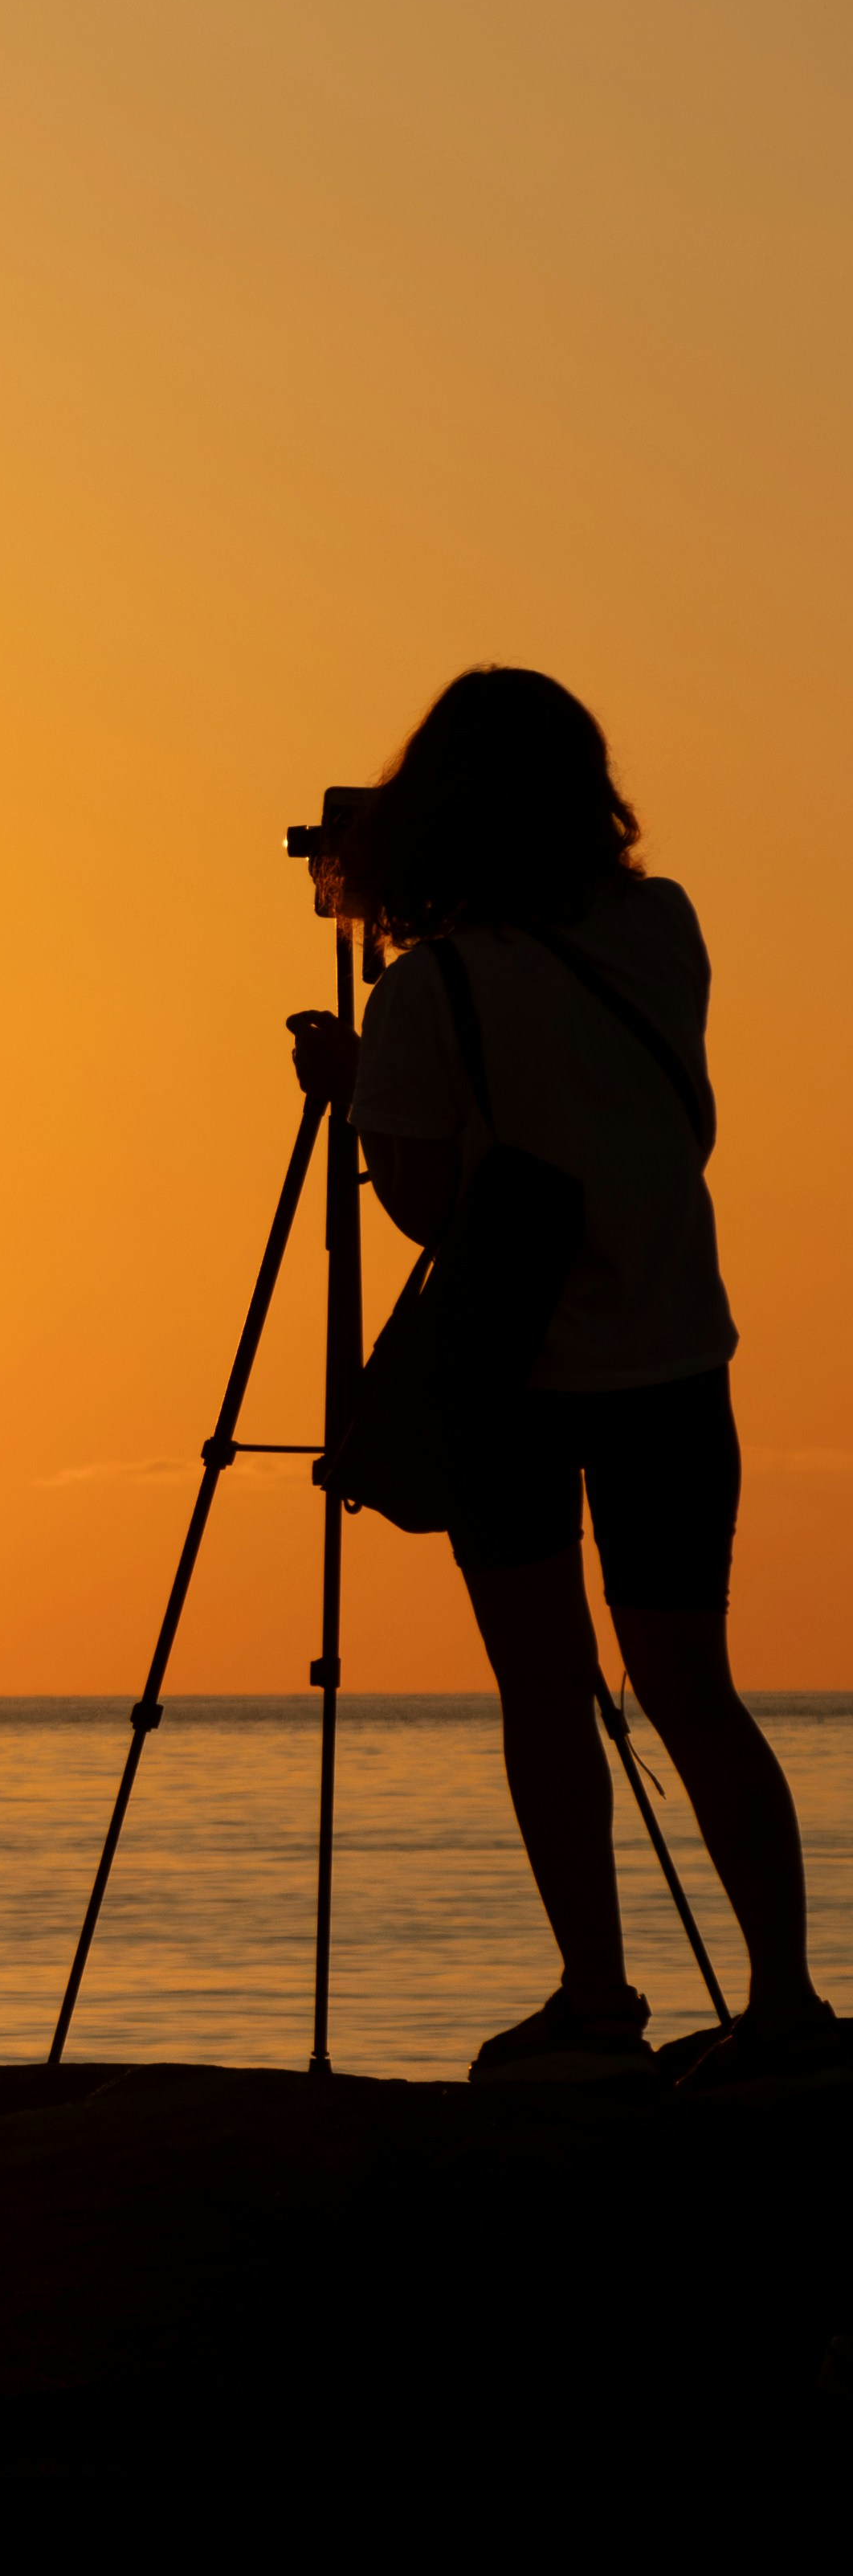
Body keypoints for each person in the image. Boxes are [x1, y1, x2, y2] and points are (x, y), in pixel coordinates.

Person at [313, 666, 825, 2086]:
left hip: (517, 1380)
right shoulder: (664, 931)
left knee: (545, 1690)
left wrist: (366, 1078)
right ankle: (788, 2006)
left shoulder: (432, 989)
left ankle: (596, 2002)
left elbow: (426, 1205)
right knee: (695, 1686)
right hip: (677, 1359)